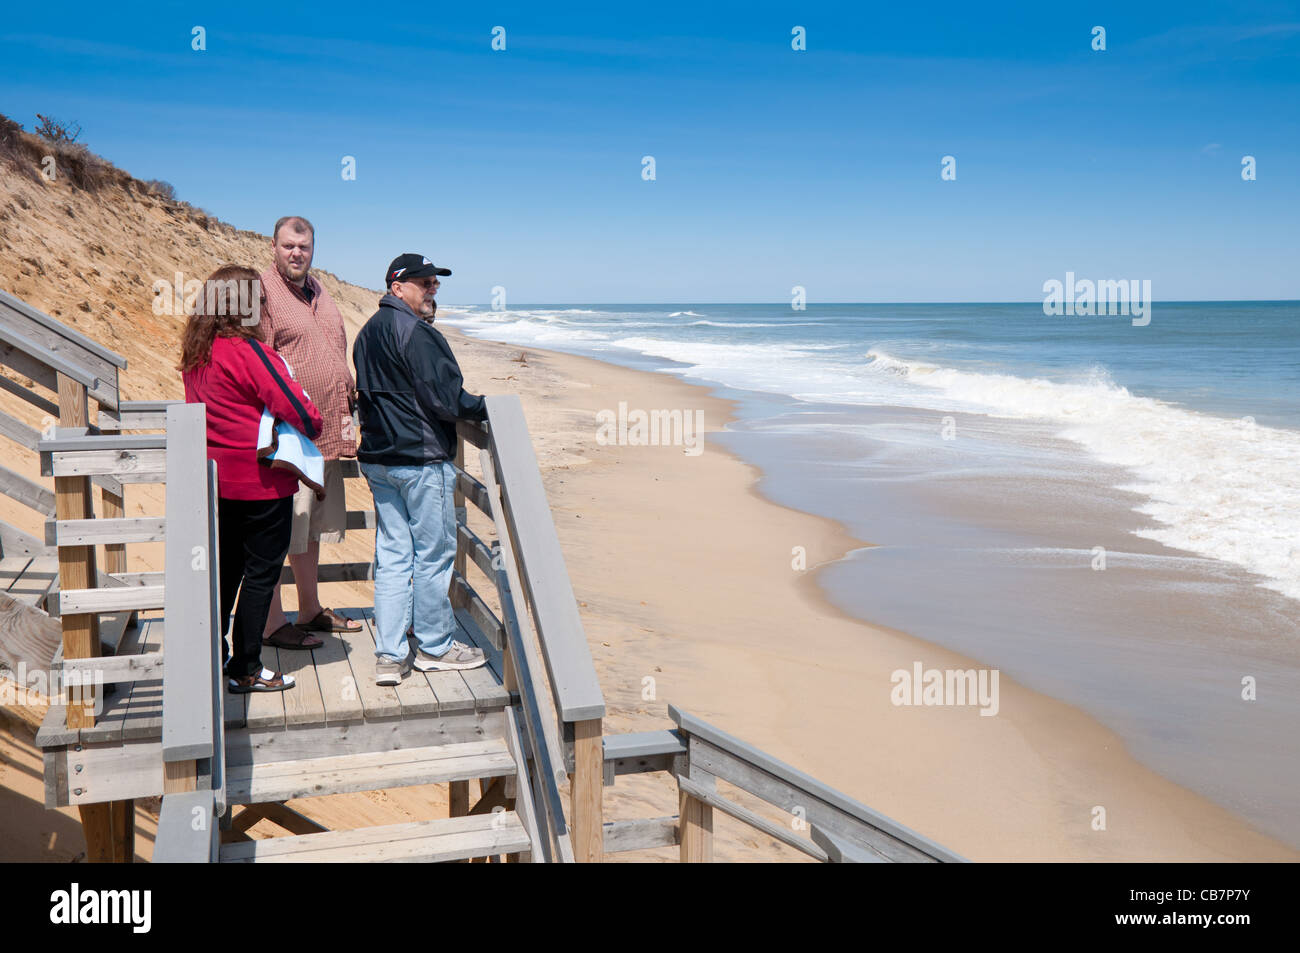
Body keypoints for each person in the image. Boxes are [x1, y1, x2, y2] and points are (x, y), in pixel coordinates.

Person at [179, 265, 324, 693]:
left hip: (215, 482)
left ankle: (213, 658)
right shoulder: (246, 350)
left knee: (225, 573)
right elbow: (301, 411)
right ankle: (245, 668)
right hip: (260, 484)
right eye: (260, 301)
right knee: (260, 576)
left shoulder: (198, 352)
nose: (264, 308)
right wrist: (312, 417)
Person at [353, 254, 489, 685]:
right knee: (432, 556)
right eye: (424, 283)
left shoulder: (367, 332)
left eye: (435, 283)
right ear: (398, 287)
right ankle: (435, 646)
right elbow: (449, 401)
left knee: (394, 556)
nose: (432, 290)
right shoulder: (417, 334)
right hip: (420, 462)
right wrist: (487, 407)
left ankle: (390, 656)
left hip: (379, 460)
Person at [257, 215, 363, 649]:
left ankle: (309, 609)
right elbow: (258, 362)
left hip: (326, 436)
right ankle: (270, 624)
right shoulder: (262, 293)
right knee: (277, 533)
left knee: (311, 531)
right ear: (274, 247)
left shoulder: (319, 289)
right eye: (288, 246)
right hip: (289, 438)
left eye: (303, 246)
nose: (296, 253)